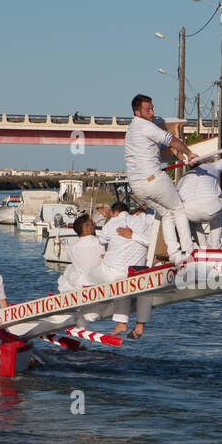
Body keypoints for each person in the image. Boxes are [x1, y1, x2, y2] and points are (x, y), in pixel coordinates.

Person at [124, 94, 196, 262]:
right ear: (137, 112)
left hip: (136, 185)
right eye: (148, 110)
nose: (152, 113)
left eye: (152, 108)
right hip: (153, 180)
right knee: (178, 209)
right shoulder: (146, 126)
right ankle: (189, 251)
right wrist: (189, 153)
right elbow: (171, 140)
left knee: (166, 214)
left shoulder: (131, 129)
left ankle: (175, 254)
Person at [98, 202, 155, 338]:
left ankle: (121, 323)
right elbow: (152, 240)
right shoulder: (147, 220)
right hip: (138, 270)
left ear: (114, 212)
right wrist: (134, 236)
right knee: (143, 288)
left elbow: (101, 240)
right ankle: (139, 326)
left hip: (117, 271)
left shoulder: (113, 223)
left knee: (117, 277)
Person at [58, 214, 107, 293]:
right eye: (92, 224)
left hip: (84, 281)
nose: (94, 227)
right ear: (87, 228)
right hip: (102, 277)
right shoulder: (101, 242)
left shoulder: (71, 248)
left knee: (70, 268)